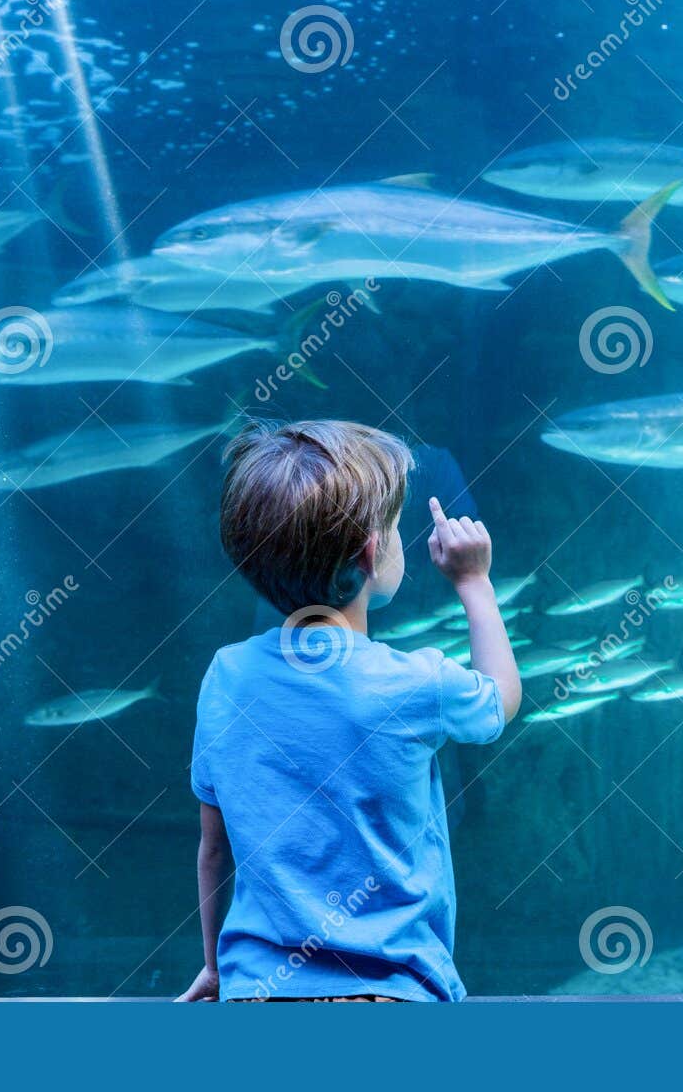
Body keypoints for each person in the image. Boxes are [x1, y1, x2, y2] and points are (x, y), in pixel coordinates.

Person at [177, 419, 522, 1002]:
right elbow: (497, 702)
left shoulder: (226, 677)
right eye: (392, 527)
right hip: (395, 995)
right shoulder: (416, 683)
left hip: (255, 994)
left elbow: (214, 849)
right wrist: (475, 584)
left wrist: (215, 967)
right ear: (370, 550)